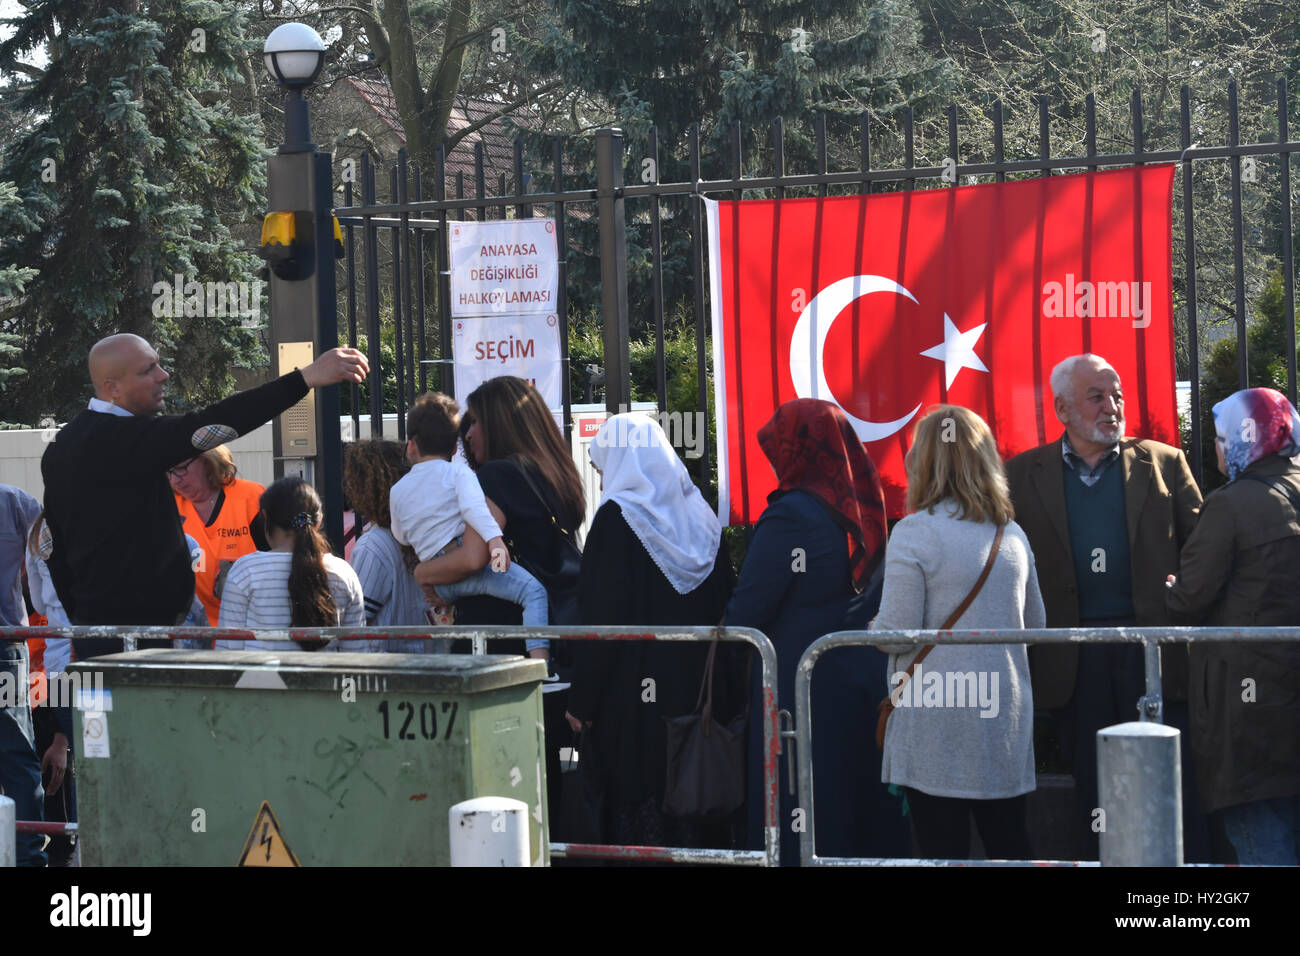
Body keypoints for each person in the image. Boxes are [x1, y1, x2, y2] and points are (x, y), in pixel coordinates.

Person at [40, 333, 367, 660]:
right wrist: (305, 378)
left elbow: (51, 544)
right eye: (148, 369)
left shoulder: (61, 446)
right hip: (142, 641)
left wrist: (83, 619)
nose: (163, 375)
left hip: (97, 634)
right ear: (113, 388)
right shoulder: (124, 440)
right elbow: (218, 422)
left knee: (103, 711)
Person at [1004, 352, 1205, 860]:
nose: (1112, 406)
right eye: (1097, 396)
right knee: (1092, 790)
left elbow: (1201, 548)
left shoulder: (1164, 462)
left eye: (1116, 395)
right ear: (1062, 409)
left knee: (1169, 779)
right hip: (1073, 656)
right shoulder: (1023, 475)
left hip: (1153, 649)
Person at [723, 398, 909, 866]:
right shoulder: (867, 503)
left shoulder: (793, 514)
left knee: (801, 811)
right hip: (861, 680)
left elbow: (748, 609)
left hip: (799, 691)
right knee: (855, 812)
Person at [413, 375, 585, 827]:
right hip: (547, 651)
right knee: (542, 783)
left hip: (499, 656)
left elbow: (472, 557)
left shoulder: (498, 476)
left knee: (497, 790)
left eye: (474, 423)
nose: (466, 434)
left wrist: (423, 571)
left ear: (498, 425)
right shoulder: (554, 473)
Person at [871, 406, 1041, 860]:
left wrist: (873, 627)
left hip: (938, 718)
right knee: (1010, 843)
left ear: (923, 462)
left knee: (941, 850)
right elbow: (1038, 627)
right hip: (1003, 716)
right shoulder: (1013, 534)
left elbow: (895, 635)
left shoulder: (915, 532)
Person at [564, 414, 736, 848]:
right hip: (697, 695)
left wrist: (581, 700)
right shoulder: (701, 515)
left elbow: (599, 620)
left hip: (633, 701)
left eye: (604, 470)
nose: (603, 482)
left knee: (640, 814)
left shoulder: (616, 521)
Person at [1166, 387, 1300, 864]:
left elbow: (1187, 601)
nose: (1216, 449)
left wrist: (1170, 585)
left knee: (1264, 839)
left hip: (1249, 710)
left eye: (1222, 438)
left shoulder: (1231, 505)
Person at [389, 393, 549, 642]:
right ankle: (542, 663)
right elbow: (474, 509)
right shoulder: (458, 472)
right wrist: (495, 540)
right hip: (463, 560)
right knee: (533, 592)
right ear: (454, 447)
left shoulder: (397, 490)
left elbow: (401, 535)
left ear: (411, 445)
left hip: (437, 577)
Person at [215, 477, 365, 651]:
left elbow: (227, 650)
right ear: (318, 521)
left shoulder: (246, 570)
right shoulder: (343, 572)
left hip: (257, 678)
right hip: (326, 677)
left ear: (265, 517)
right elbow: (357, 652)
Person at [344, 439, 443, 653]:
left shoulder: (374, 545)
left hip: (387, 671)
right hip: (432, 664)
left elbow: (355, 623)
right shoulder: (430, 533)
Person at [169, 444, 266, 625]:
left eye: (181, 469)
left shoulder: (251, 498)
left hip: (250, 628)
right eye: (169, 472)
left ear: (208, 460)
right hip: (192, 630)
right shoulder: (169, 506)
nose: (175, 481)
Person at [1, 482, 46, 866]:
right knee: (16, 755)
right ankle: (29, 859)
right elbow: (44, 567)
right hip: (5, 642)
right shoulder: (15, 502)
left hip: (6, 643)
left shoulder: (15, 502)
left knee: (17, 756)